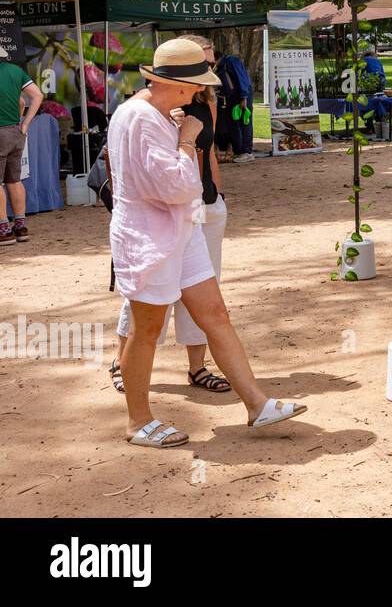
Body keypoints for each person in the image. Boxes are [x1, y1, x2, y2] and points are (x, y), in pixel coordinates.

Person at [109, 38, 305, 447]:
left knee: (215, 312)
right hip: (152, 237)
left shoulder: (155, 113)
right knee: (147, 330)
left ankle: (256, 404)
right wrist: (186, 138)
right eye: (195, 83)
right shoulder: (142, 118)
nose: (200, 91)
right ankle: (138, 421)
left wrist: (180, 132)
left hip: (178, 231)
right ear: (173, 83)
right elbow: (176, 186)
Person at [110, 35, 230, 396]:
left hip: (202, 204)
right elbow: (127, 164)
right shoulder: (146, 110)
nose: (208, 73)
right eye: (202, 67)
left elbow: (207, 155)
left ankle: (197, 366)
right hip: (159, 214)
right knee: (149, 302)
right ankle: (123, 362)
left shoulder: (206, 102)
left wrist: (217, 197)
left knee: (205, 295)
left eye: (210, 65)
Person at [0, 44, 44, 246]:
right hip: (16, 132)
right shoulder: (15, 71)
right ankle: (20, 226)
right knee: (14, 180)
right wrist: (24, 122)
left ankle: (3, 229)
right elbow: (35, 96)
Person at [214, 48, 254, 163]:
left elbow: (242, 79)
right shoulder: (221, 66)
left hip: (240, 97)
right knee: (234, 124)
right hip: (232, 99)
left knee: (244, 123)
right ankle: (239, 150)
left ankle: (246, 152)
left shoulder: (230, 61)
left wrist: (244, 97)